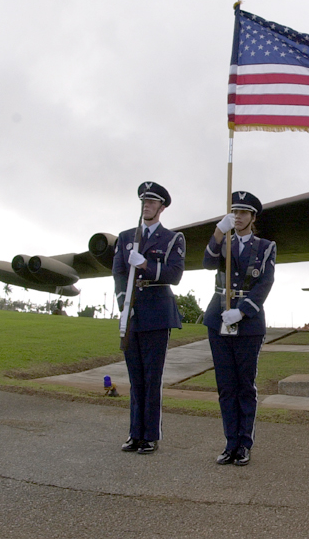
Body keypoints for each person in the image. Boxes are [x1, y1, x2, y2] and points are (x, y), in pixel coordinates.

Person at [202, 191, 276, 466]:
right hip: (218, 316)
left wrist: (242, 311)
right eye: (235, 211)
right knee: (225, 386)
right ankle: (229, 443)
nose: (238, 216)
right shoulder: (224, 242)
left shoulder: (266, 246)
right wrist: (218, 233)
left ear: (253, 217)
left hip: (248, 323)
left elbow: (264, 284)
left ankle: (244, 444)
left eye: (244, 212)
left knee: (245, 385)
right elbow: (208, 263)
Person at [113, 182, 185, 454]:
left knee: (152, 376)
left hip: (157, 311)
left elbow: (175, 275)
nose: (147, 205)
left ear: (162, 207)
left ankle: (150, 435)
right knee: (136, 377)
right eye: (144, 201)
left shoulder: (172, 239)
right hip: (133, 313)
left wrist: (145, 264)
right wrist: (124, 302)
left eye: (153, 202)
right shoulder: (126, 237)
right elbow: (119, 273)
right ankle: (134, 433)